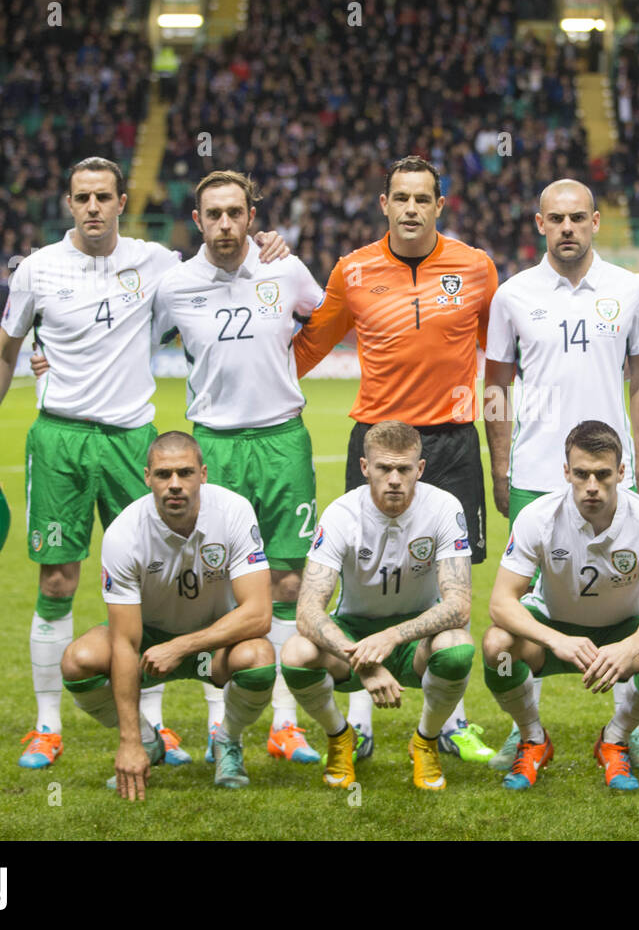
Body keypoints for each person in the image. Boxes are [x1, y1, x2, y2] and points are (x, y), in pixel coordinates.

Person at [0, 156, 286, 770]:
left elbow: (223, 256)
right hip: (58, 438)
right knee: (56, 580)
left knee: (155, 582)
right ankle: (46, 725)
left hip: (132, 441)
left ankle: (156, 728)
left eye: (103, 197)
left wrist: (270, 242)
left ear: (119, 202)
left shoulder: (155, 262)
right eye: (81, 197)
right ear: (68, 203)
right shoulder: (38, 270)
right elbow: (5, 353)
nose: (92, 208)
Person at [292, 155, 497, 763]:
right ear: (384, 204)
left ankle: (449, 721)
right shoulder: (352, 270)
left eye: (422, 198)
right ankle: (364, 718)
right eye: (400, 198)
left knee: (451, 578)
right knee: (363, 571)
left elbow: (506, 350)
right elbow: (309, 346)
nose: (411, 208)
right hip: (379, 442)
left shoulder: (476, 268)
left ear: (440, 206)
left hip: (454, 440)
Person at [483, 177, 639, 772]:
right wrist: (502, 464)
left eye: (578, 218)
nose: (567, 228)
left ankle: (625, 728)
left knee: (625, 602)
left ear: (594, 224)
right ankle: (528, 730)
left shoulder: (631, 291)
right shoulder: (512, 295)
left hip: (612, 476)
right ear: (539, 224)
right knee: (526, 609)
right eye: (555, 219)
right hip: (539, 470)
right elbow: (497, 387)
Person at [150, 169, 327, 767]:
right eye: (213, 214)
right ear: (197, 221)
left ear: (252, 215)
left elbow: (325, 322)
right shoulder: (175, 285)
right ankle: (218, 727)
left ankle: (283, 724)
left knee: (286, 583)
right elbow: (130, 341)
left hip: (283, 441)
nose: (225, 224)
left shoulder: (287, 269)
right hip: (215, 447)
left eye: (235, 212)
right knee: (218, 591)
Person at [59, 432, 276, 798]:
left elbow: (258, 615)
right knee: (79, 661)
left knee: (259, 659)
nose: (174, 484)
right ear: (147, 477)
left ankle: (228, 741)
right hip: (149, 643)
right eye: (163, 474)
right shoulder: (124, 534)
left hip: (215, 642)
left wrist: (182, 647)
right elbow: (126, 643)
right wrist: (129, 743)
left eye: (185, 472)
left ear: (203, 474)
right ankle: (147, 740)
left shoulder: (234, 511)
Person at [482, 420, 639, 791]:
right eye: (582, 474)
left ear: (622, 472)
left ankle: (616, 738)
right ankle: (533, 738)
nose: (592, 486)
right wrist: (555, 640)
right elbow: (500, 603)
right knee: (498, 647)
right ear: (566, 472)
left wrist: (630, 646)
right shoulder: (538, 517)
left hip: (620, 633)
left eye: (603, 475)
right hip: (552, 631)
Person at [280, 421, 476, 791]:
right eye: (384, 468)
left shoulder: (444, 507)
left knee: (457, 647)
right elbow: (307, 611)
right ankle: (340, 736)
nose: (395, 479)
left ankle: (425, 741)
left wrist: (391, 637)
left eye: (404, 469)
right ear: (365, 467)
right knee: (295, 651)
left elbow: (459, 606)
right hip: (353, 635)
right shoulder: (341, 513)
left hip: (415, 638)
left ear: (419, 469)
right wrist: (365, 663)